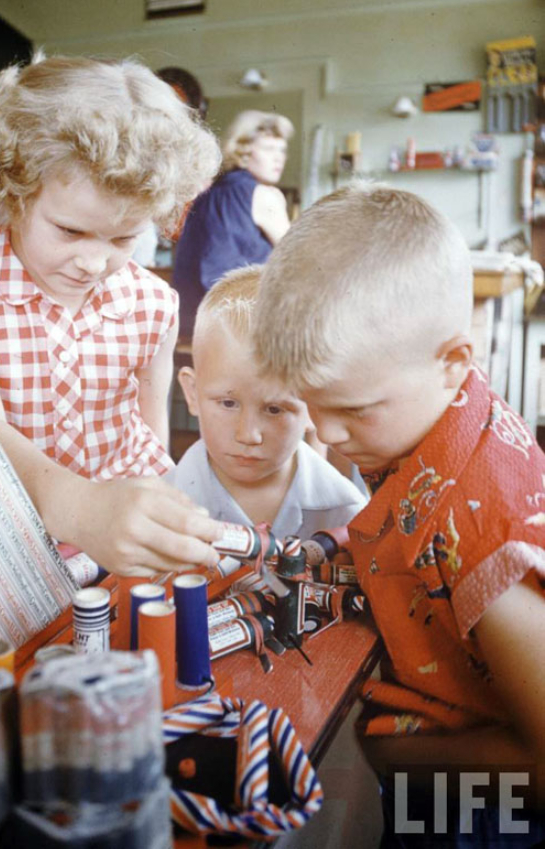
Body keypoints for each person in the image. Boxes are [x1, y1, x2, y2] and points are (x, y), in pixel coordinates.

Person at [253, 184, 545, 845]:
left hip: (481, 809)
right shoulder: (433, 403)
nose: (325, 433)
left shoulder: (480, 539)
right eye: (309, 402)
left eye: (353, 410)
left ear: (453, 361)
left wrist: (397, 758)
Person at [0, 54, 224, 577]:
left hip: (123, 557)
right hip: (7, 559)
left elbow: (150, 436)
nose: (94, 262)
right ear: (12, 188)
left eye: (124, 237)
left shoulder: (155, 303)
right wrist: (82, 510)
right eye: (71, 231)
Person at [167, 264, 366, 538]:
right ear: (192, 394)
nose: (248, 435)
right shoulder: (160, 507)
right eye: (228, 403)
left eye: (274, 409)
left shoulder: (347, 512)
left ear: (316, 409)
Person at [172, 110, 293, 337]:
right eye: (269, 149)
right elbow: (298, 257)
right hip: (236, 326)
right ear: (244, 152)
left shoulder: (208, 193)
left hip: (190, 320)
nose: (279, 158)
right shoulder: (264, 194)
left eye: (282, 150)